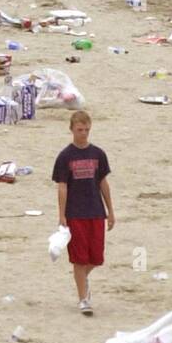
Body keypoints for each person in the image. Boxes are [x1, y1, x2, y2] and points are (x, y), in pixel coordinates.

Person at [51, 110, 115, 314]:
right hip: (75, 213)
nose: (83, 133)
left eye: (87, 130)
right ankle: (83, 299)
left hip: (96, 211)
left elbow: (103, 182)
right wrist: (62, 215)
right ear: (71, 129)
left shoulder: (98, 154)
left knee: (96, 257)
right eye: (80, 130)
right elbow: (62, 186)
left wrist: (111, 210)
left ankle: (83, 280)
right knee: (79, 258)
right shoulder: (65, 156)